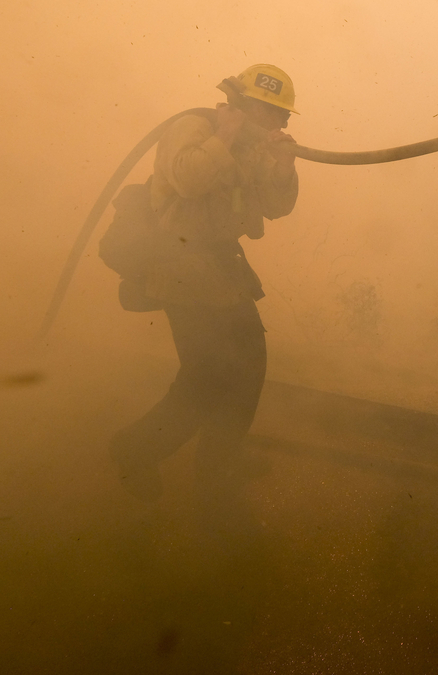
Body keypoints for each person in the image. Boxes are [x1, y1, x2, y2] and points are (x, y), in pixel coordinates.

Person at [109, 63, 301, 503]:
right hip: (181, 269)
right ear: (246, 106)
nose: (282, 123)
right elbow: (188, 181)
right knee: (204, 379)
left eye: (284, 117)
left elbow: (274, 207)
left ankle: (220, 461)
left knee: (247, 370)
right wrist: (226, 135)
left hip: (221, 268)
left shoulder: (252, 148)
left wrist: (283, 166)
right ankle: (136, 450)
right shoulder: (194, 127)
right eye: (274, 114)